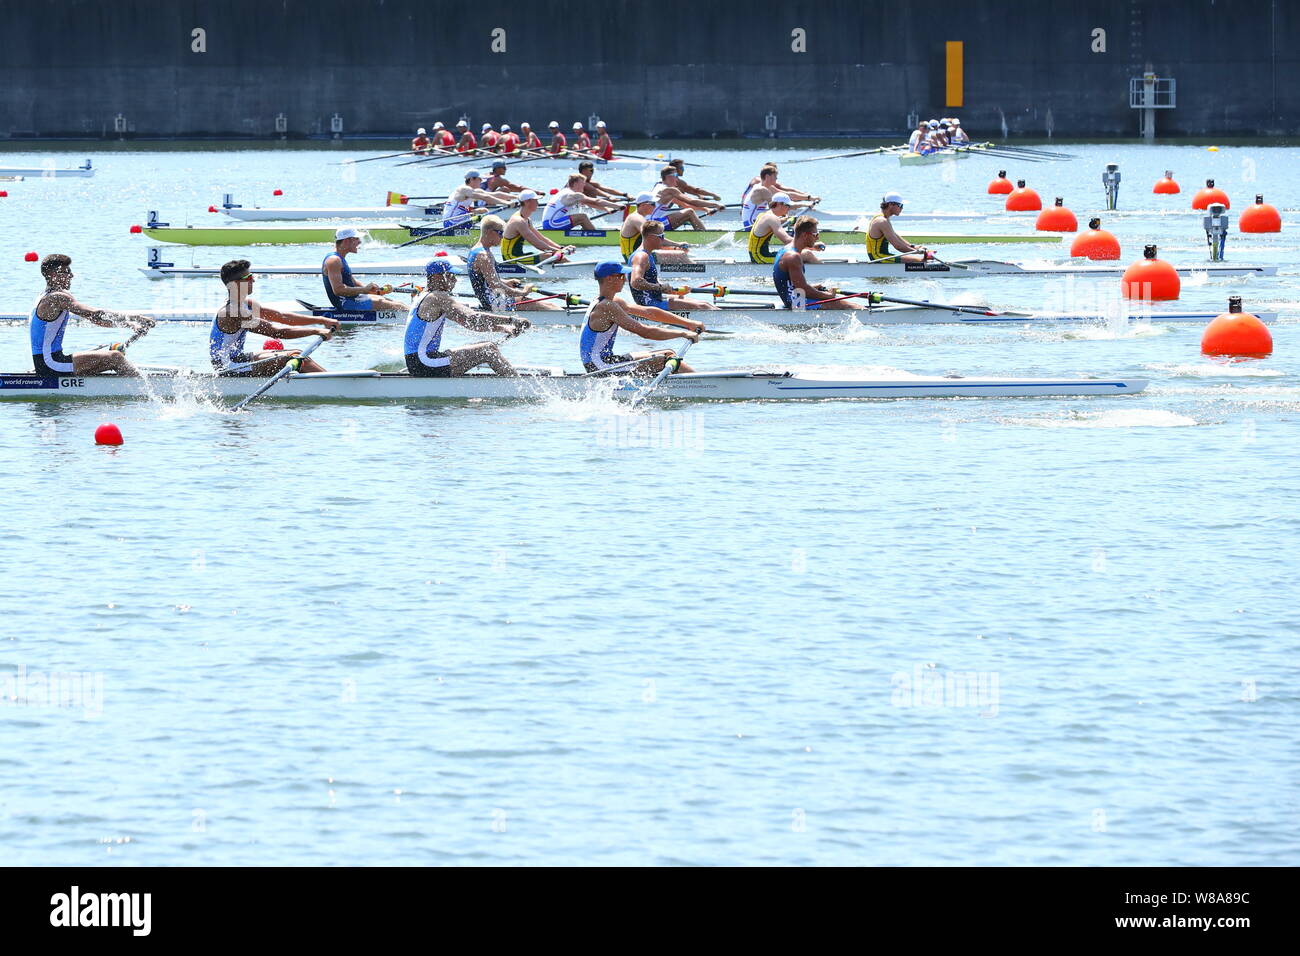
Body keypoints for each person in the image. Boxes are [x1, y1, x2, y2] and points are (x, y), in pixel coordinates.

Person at [29, 253, 154, 376]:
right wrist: (138, 318)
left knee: (111, 357)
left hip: (48, 362)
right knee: (115, 357)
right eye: (67, 271)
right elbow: (96, 314)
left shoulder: (45, 295)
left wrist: (130, 325)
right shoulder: (56, 298)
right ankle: (142, 392)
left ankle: (127, 387)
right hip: (50, 364)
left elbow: (96, 320)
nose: (71, 275)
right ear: (54, 275)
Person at [404, 259, 525, 376]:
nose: (455, 280)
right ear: (437, 277)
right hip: (425, 362)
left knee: (486, 345)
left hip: (417, 362)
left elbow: (470, 324)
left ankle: (510, 383)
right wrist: (512, 320)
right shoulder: (438, 297)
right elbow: (473, 316)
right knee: (487, 349)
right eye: (451, 276)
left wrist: (504, 328)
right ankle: (519, 387)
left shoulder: (423, 295)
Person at [211, 260, 333, 376]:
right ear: (236, 284)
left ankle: (328, 380)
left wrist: (321, 320)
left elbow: (281, 316)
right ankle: (335, 384)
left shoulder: (246, 303)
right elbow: (277, 332)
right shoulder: (233, 312)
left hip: (237, 358)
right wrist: (316, 331)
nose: (253, 280)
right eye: (248, 278)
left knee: (297, 352)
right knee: (296, 358)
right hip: (227, 367)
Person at [580, 261, 700, 375]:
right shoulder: (606, 306)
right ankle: (703, 385)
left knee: (669, 353)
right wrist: (683, 334)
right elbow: (645, 332)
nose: (625, 279)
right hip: (599, 367)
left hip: (604, 361)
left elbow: (649, 312)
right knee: (667, 358)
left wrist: (688, 323)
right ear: (609, 279)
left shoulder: (611, 301)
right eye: (621, 276)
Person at [467, 216, 562, 312]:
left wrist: (506, 282)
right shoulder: (483, 256)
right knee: (546, 306)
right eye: (501, 234)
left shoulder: (477, 250)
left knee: (548, 304)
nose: (502, 238)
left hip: (493, 299)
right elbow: (495, 286)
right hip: (494, 303)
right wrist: (522, 292)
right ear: (490, 232)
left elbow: (487, 280)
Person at [629, 220, 720, 313]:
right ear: (651, 238)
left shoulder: (647, 254)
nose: (663, 240)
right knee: (703, 306)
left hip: (655, 299)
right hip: (650, 304)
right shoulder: (641, 256)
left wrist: (673, 291)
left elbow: (649, 281)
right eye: (661, 237)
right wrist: (660, 287)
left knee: (705, 303)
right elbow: (636, 282)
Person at [773, 218, 862, 311]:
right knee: (854, 307)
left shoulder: (785, 249)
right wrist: (828, 296)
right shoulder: (793, 257)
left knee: (839, 301)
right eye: (815, 234)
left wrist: (814, 288)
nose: (817, 238)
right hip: (797, 302)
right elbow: (803, 290)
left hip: (792, 298)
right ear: (805, 235)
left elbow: (794, 286)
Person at [322, 228, 410, 313]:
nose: (359, 242)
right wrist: (364, 289)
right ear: (346, 241)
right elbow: (338, 290)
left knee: (396, 302)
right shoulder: (334, 260)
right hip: (346, 304)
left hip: (353, 299)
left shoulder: (339, 259)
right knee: (399, 307)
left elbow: (353, 283)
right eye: (357, 239)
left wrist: (377, 291)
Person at [501, 191, 576, 265]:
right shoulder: (519, 221)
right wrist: (560, 251)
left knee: (556, 256)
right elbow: (537, 244)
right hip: (511, 259)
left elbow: (542, 238)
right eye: (535, 200)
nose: (538, 203)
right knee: (559, 258)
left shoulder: (527, 219)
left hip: (518, 256)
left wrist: (561, 248)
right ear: (527, 202)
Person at [620, 193, 694, 260]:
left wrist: (674, 247)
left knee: (678, 251)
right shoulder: (636, 219)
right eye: (652, 204)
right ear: (643, 205)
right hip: (635, 258)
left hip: (640, 254)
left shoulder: (637, 217)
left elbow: (652, 241)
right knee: (681, 255)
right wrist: (677, 244)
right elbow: (654, 237)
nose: (655, 206)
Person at [651, 165, 725, 230]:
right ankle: (703, 237)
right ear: (669, 177)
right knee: (689, 212)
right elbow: (691, 201)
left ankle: (699, 233)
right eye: (676, 175)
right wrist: (716, 205)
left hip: (650, 222)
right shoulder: (670, 190)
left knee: (688, 210)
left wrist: (706, 209)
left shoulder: (659, 186)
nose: (677, 178)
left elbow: (685, 205)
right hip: (653, 225)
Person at [740, 164, 815, 228]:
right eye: (775, 176)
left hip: (757, 221)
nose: (776, 178)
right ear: (767, 176)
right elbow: (778, 207)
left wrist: (807, 199)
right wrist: (804, 205)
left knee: (787, 218)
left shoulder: (768, 187)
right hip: (751, 225)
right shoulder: (762, 190)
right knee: (789, 219)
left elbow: (787, 195)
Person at [541, 173, 622, 231]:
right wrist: (617, 206)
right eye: (583, 183)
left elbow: (588, 203)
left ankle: (588, 233)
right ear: (576, 183)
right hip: (552, 224)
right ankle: (596, 236)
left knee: (581, 218)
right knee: (582, 217)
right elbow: (597, 200)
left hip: (549, 224)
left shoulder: (565, 192)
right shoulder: (573, 194)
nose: (584, 185)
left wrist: (607, 209)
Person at [866, 192, 929, 263]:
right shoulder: (882, 221)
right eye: (900, 205)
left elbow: (896, 237)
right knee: (921, 261)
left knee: (923, 260)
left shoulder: (883, 218)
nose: (902, 208)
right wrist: (917, 252)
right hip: (878, 257)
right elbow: (898, 246)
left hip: (882, 256)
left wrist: (913, 247)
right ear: (890, 205)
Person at [442, 170, 517, 229]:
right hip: (451, 223)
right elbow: (485, 198)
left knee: (484, 211)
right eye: (480, 179)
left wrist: (518, 198)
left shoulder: (473, 190)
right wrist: (506, 203)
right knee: (489, 220)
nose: (481, 181)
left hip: (460, 220)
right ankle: (496, 232)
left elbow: (496, 195)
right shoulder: (464, 189)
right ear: (472, 179)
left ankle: (489, 230)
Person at [746, 192, 797, 263]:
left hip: (757, 255)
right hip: (760, 257)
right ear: (779, 204)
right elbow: (787, 240)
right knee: (803, 255)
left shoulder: (763, 215)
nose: (789, 208)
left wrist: (788, 220)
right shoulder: (772, 218)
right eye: (788, 205)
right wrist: (810, 245)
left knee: (800, 254)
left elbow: (777, 222)